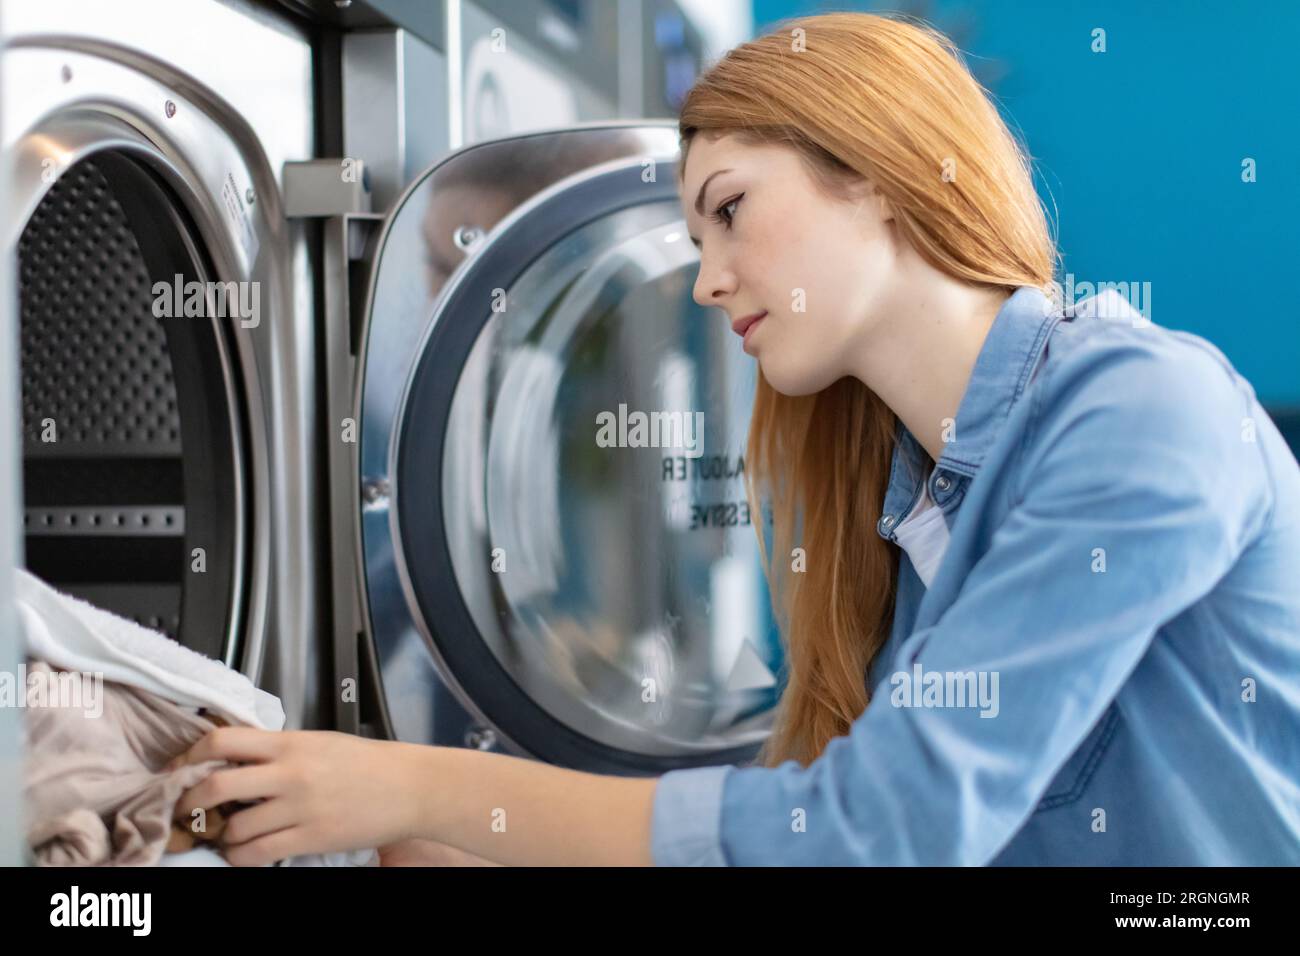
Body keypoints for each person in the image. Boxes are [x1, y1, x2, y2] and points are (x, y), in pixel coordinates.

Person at [175, 11, 1300, 866]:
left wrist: (414, 789)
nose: (708, 281)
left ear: (876, 172)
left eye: (727, 208)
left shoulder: (1143, 414)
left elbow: (881, 826)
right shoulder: (913, 497)